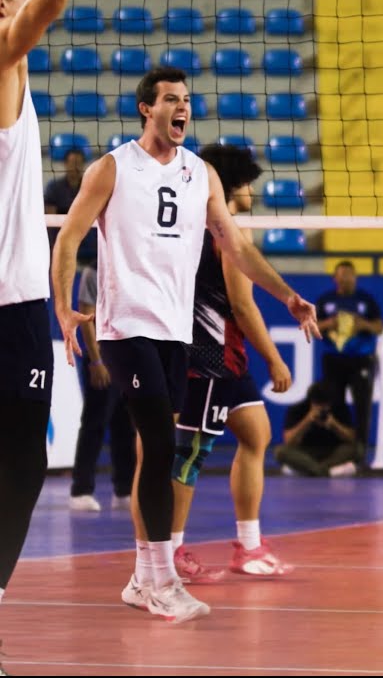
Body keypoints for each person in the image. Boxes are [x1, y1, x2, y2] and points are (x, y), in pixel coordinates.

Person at [51, 66, 320, 624]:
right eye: (171, 100)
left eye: (187, 100)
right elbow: (69, 238)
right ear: (145, 109)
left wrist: (290, 296)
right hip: (126, 328)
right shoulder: (113, 168)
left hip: (177, 333)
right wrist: (62, 306)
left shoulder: (202, 175)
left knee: (165, 447)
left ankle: (139, 578)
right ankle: (160, 577)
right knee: (157, 437)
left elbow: (236, 247)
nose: (183, 109)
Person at [0, 0, 87, 632]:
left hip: (20, 300)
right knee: (23, 459)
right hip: (10, 303)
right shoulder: (4, 54)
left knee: (23, 460)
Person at [166, 144, 297, 584]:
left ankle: (248, 544)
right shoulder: (226, 232)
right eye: (247, 184)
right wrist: (276, 359)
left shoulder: (199, 224)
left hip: (226, 355)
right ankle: (170, 553)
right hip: (208, 356)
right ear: (229, 184)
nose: (252, 192)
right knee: (189, 456)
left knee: (256, 434)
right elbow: (243, 305)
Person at [68, 259, 136, 512]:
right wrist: (96, 360)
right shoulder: (92, 272)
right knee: (95, 424)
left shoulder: (128, 266)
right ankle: (81, 490)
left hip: (125, 357)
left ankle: (124, 490)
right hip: (103, 357)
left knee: (125, 427)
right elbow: (86, 318)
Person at [316, 260, 383, 464]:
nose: (345, 278)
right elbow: (314, 327)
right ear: (334, 278)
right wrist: (330, 323)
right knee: (334, 404)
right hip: (334, 359)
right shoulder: (325, 301)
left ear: (356, 277)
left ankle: (360, 450)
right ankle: (337, 450)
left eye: (349, 274)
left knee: (362, 405)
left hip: (361, 360)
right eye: (341, 274)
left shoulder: (366, 300)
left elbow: (379, 327)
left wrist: (362, 324)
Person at [277, 382, 361, 477]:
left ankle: (310, 470)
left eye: (325, 405)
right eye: (318, 404)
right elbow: (288, 441)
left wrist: (335, 425)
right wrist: (307, 421)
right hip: (306, 452)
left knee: (358, 450)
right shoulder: (297, 409)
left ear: (331, 403)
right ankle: (329, 472)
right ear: (311, 401)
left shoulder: (340, 408)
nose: (321, 409)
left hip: (333, 451)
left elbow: (352, 439)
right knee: (280, 451)